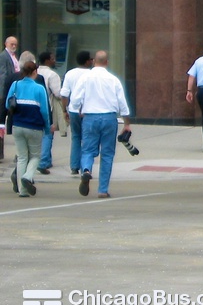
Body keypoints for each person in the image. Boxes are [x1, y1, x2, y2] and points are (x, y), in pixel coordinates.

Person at [71, 51, 131, 198]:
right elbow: (122, 102)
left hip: (90, 117)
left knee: (87, 150)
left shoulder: (85, 78)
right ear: (107, 62)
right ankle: (103, 189)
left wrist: (78, 109)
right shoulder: (113, 80)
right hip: (109, 117)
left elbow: (75, 99)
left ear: (93, 61)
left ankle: (86, 170)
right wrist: (127, 123)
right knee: (107, 154)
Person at [7, 60, 51, 197]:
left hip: (17, 125)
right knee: (35, 156)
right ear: (35, 72)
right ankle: (27, 176)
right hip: (34, 127)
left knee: (22, 157)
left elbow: (8, 104)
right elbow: (44, 111)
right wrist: (47, 127)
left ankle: (22, 190)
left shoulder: (15, 85)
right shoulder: (39, 89)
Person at [60, 51, 94, 175]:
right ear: (87, 61)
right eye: (91, 59)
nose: (92, 61)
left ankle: (74, 166)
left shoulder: (70, 74)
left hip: (73, 110)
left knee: (75, 137)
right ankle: (86, 166)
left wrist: (64, 110)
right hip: (88, 111)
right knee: (87, 139)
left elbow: (64, 94)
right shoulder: (92, 74)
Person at [36, 51, 63, 175]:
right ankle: (43, 161)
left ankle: (46, 159)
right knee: (48, 134)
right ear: (47, 60)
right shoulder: (52, 75)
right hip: (47, 108)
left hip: (33, 108)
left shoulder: (34, 72)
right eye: (52, 58)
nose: (54, 60)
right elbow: (58, 93)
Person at [0, 35, 19, 125]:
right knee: (3, 111)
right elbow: (2, 75)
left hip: (13, 87)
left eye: (15, 44)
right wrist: (2, 92)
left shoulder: (13, 56)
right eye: (12, 44)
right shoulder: (3, 56)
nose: (14, 46)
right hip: (7, 88)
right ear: (6, 44)